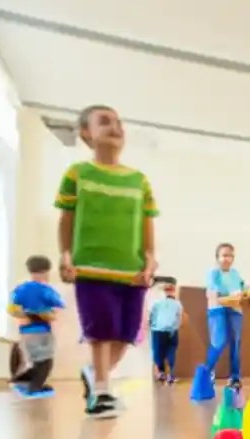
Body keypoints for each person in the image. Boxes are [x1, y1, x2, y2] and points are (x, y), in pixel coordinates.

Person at [56, 104, 157, 419]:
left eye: (118, 122)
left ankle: (94, 373)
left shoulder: (139, 180)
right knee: (100, 329)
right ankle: (101, 391)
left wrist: (150, 259)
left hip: (131, 270)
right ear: (86, 133)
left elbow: (147, 222)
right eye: (104, 122)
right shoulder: (77, 174)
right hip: (92, 266)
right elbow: (66, 218)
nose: (115, 127)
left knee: (125, 334)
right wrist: (65, 254)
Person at [9, 255, 64, 397]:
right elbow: (59, 307)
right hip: (42, 331)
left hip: (25, 331)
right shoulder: (46, 290)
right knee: (46, 362)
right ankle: (34, 387)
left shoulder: (20, 289)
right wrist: (43, 314)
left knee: (37, 361)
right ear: (46, 272)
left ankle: (21, 380)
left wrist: (25, 315)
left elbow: (11, 309)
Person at [204, 243, 247, 390]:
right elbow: (213, 293)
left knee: (235, 343)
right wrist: (226, 297)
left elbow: (241, 290)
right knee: (218, 342)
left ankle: (235, 377)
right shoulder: (213, 273)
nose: (227, 259)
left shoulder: (236, 274)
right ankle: (206, 373)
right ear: (217, 257)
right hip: (218, 311)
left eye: (230, 255)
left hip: (235, 311)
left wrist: (244, 295)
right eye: (224, 255)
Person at [148, 280, 184, 384]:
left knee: (158, 352)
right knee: (171, 351)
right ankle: (171, 374)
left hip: (158, 330)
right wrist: (176, 327)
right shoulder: (178, 304)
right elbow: (179, 319)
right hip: (172, 331)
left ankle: (161, 373)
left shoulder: (157, 303)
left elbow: (151, 316)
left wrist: (151, 325)